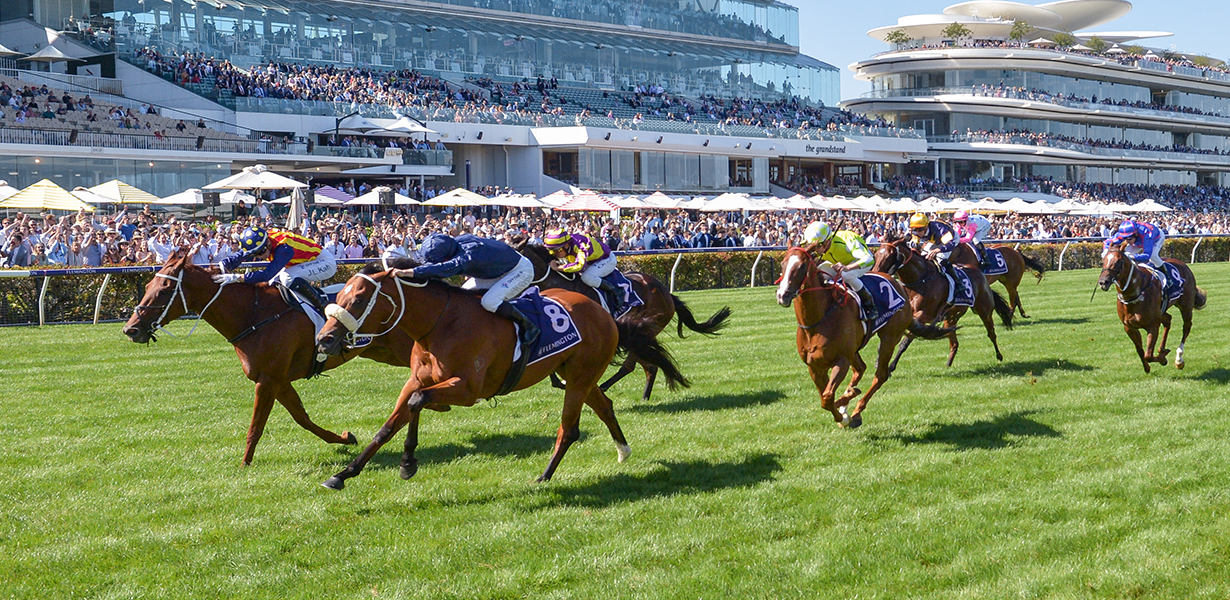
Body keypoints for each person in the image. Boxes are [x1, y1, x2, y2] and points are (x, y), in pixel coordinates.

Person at [390, 233, 538, 347]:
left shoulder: (467, 256)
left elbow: (442, 268)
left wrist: (409, 272)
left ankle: (528, 325)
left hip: (518, 270)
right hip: (497, 269)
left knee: (489, 302)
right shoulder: (454, 243)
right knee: (462, 299)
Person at [214, 226, 336, 314]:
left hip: (324, 261)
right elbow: (240, 255)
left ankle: (322, 305)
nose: (258, 258)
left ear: (266, 245)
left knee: (286, 277)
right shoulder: (264, 240)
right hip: (306, 262)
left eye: (258, 254)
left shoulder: (283, 248)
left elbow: (267, 274)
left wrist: (237, 277)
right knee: (276, 281)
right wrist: (221, 266)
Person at [802, 221, 879, 320]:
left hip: (860, 262)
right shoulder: (823, 243)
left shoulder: (847, 239)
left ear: (827, 241)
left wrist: (848, 268)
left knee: (846, 275)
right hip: (839, 263)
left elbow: (868, 259)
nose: (815, 250)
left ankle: (869, 304)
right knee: (818, 274)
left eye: (817, 246)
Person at [543, 228, 623, 314]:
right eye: (551, 250)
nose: (554, 253)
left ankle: (616, 291)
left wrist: (559, 268)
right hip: (590, 261)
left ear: (566, 246)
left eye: (557, 250)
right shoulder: (565, 246)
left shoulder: (580, 245)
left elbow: (579, 265)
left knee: (587, 277)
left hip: (606, 259)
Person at [1103, 218, 1167, 286]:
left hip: (1156, 239)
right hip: (1138, 241)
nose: (1127, 241)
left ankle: (1167, 276)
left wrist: (1133, 257)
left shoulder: (1146, 234)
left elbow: (1147, 255)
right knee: (1126, 255)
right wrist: (1105, 251)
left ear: (1135, 234)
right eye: (1125, 239)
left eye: (1129, 239)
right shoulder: (1125, 233)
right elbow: (1107, 242)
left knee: (1153, 256)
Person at [907, 212, 960, 282]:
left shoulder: (940, 229)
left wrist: (936, 250)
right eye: (914, 229)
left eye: (920, 229)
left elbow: (950, 244)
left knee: (941, 258)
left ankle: (957, 281)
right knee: (923, 256)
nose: (917, 232)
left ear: (926, 227)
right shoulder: (916, 232)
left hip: (951, 239)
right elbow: (914, 243)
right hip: (934, 241)